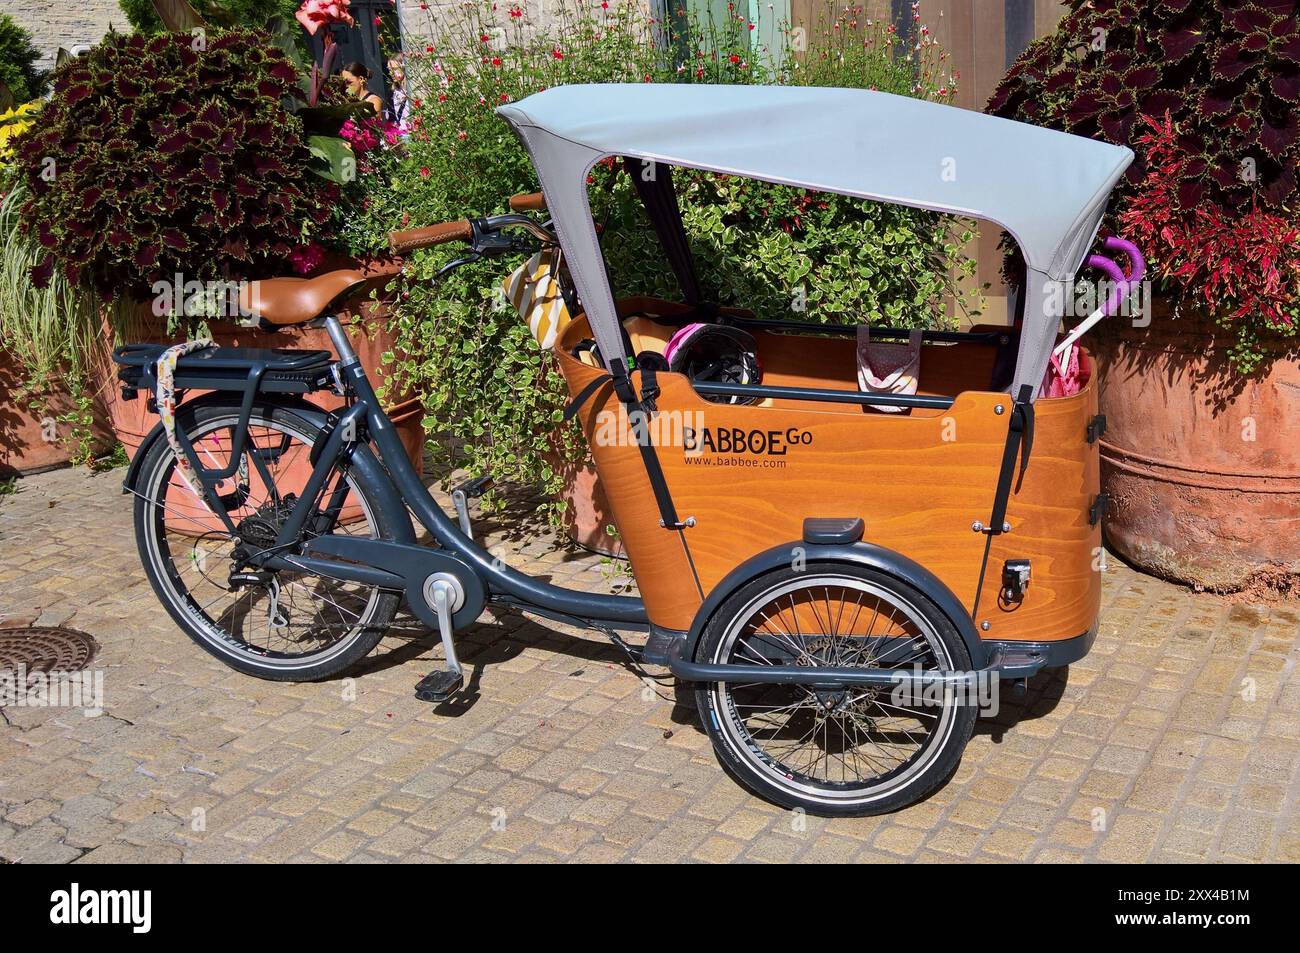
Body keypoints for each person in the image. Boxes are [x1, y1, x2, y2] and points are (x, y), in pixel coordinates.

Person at [387, 53, 409, 125]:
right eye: (390, 70)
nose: (391, 73)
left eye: (394, 69)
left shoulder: (411, 91)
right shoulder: (392, 92)